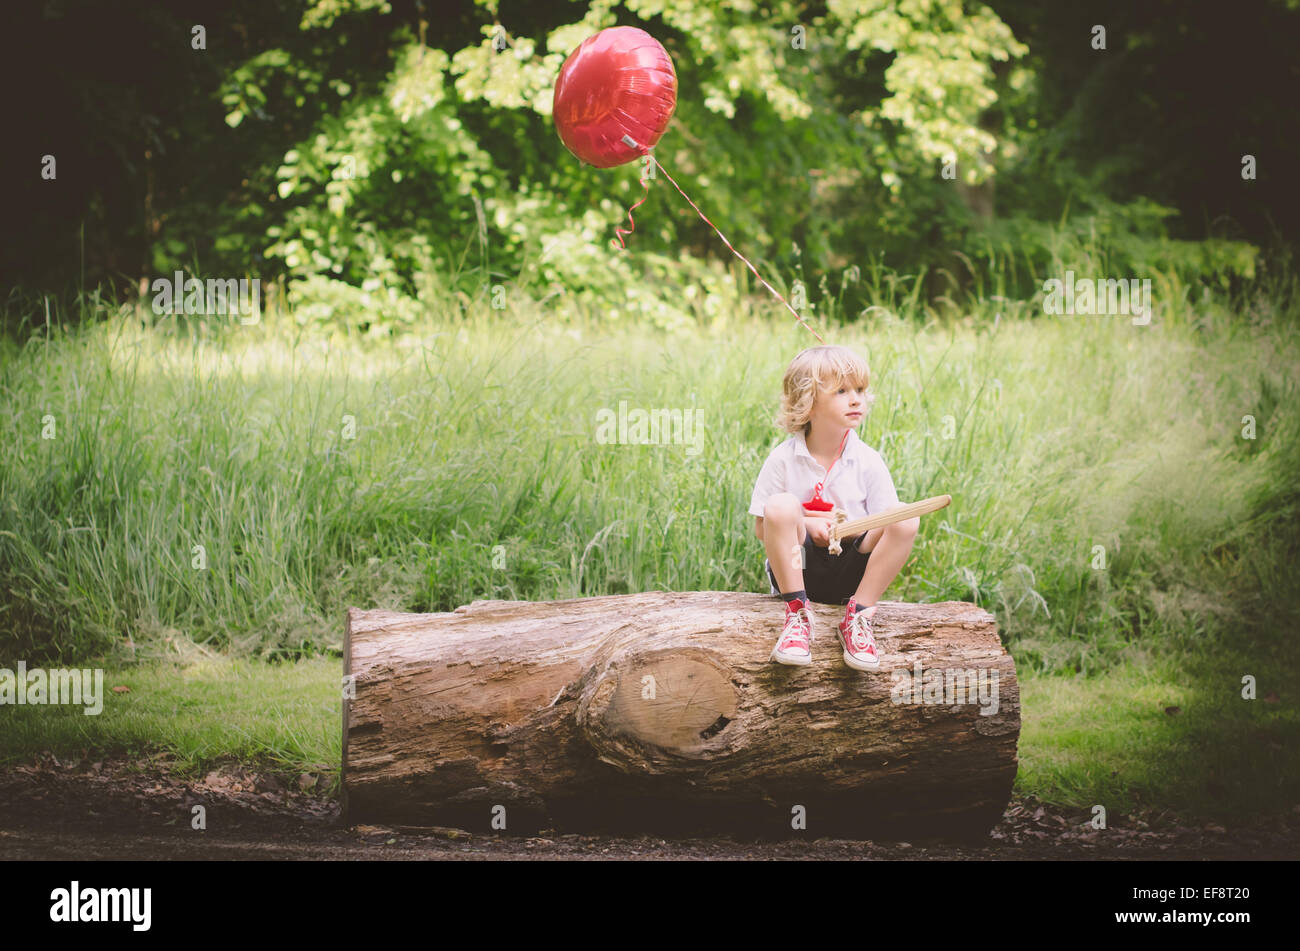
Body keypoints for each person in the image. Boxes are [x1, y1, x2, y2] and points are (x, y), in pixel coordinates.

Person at [749, 345, 920, 670]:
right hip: (799, 568)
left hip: (852, 572)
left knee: (903, 515)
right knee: (782, 505)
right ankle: (797, 615)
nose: (857, 399)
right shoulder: (783, 459)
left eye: (860, 390)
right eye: (842, 391)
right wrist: (808, 522)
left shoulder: (868, 461)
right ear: (808, 402)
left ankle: (858, 616)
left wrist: (847, 529)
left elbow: (885, 526)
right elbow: (762, 528)